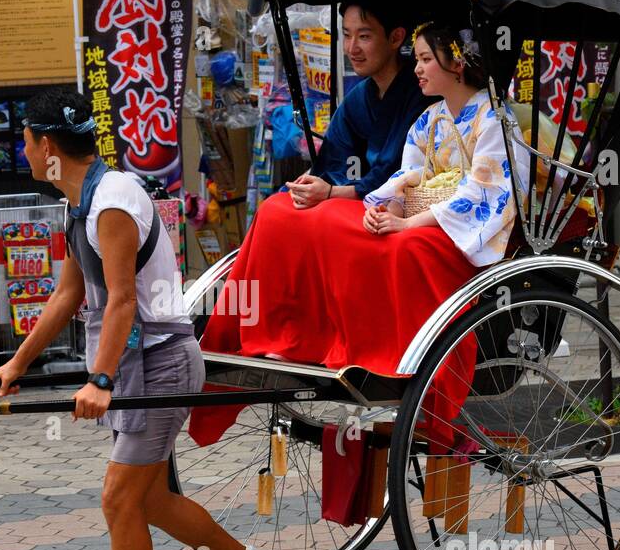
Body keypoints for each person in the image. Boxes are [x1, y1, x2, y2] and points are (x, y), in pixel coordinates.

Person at [0, 88, 288, 550]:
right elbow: (70, 293)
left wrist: (99, 379)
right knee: (149, 500)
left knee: (119, 498)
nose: (22, 150)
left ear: (47, 145)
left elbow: (123, 301)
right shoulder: (80, 203)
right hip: (135, 363)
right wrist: (18, 363)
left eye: (24, 140)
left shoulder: (113, 205)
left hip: (162, 361)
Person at [190, 23, 528, 453]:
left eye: (425, 60)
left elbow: (484, 196)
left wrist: (408, 222)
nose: (418, 69)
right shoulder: (432, 118)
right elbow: (407, 178)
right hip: (417, 217)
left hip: (458, 237)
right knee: (289, 215)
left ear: (456, 64)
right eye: (419, 59)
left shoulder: (495, 121)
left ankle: (389, 361)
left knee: (401, 247)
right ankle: (292, 339)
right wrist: (384, 208)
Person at [284, 0, 433, 209]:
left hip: (398, 207)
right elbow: (334, 157)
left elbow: (393, 169)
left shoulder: (422, 94)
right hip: (355, 196)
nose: (351, 48)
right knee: (278, 208)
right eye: (346, 35)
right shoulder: (359, 97)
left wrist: (330, 192)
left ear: (395, 38)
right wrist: (309, 183)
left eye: (364, 36)